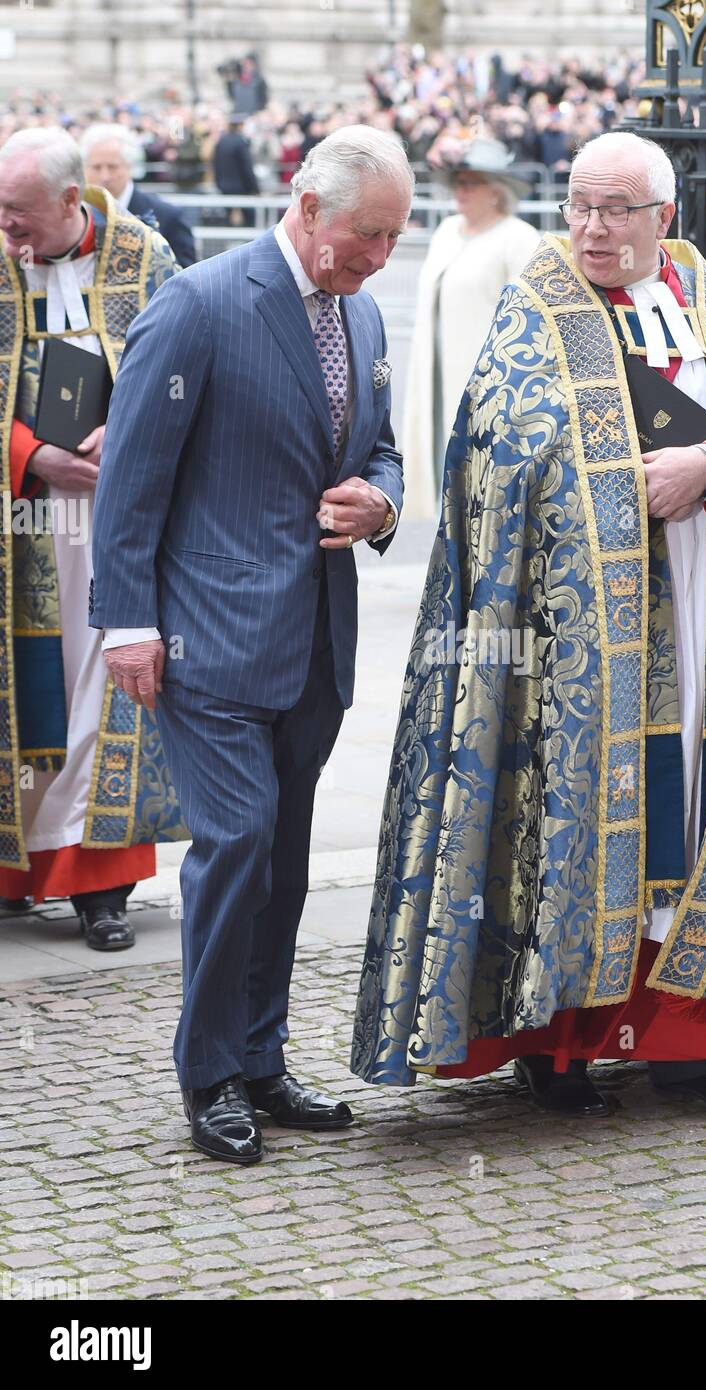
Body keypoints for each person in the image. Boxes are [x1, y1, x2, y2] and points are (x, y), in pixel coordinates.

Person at [352, 131, 706, 1119]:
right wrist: (619, 482)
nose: (591, 227)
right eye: (579, 205)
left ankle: (694, 1045)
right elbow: (492, 458)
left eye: (615, 208)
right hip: (577, 645)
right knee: (575, 824)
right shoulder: (538, 307)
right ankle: (562, 1042)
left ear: (663, 215)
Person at [90, 126, 412, 1164]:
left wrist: (382, 503)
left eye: (395, 236)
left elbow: (385, 451)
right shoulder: (198, 303)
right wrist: (127, 623)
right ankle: (210, 1073)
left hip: (314, 642)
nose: (380, 257)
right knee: (235, 844)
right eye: (368, 234)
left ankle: (262, 1059)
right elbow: (131, 477)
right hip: (206, 641)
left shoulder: (359, 314)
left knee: (279, 854)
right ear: (309, 209)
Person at [0, 128, 186, 949]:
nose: (8, 231)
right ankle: (11, 872)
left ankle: (98, 882)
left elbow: (190, 365)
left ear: (73, 200)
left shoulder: (145, 258)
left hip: (116, 520)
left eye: (20, 215)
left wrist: (134, 428)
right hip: (18, 517)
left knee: (104, 684)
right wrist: (32, 454)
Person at [402, 137, 540, 517]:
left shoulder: (519, 239)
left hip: (490, 383)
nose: (460, 190)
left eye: (470, 183)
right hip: (438, 373)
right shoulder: (447, 232)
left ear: (496, 192)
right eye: (457, 182)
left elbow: (529, 317)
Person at [81, 123, 197, 268]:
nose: (105, 176)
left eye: (112, 166)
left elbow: (188, 280)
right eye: (96, 167)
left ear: (130, 166)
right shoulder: (77, 216)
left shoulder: (168, 217)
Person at [213, 113, 259, 228]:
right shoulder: (241, 142)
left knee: (227, 218)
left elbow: (215, 165)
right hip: (242, 188)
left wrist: (218, 183)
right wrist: (254, 188)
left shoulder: (221, 141)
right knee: (250, 218)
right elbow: (247, 167)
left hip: (224, 186)